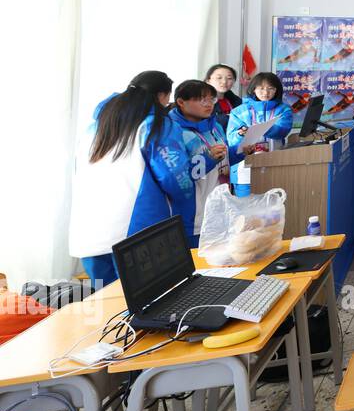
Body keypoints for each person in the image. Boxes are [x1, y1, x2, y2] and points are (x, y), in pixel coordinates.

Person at [68, 71, 175, 288]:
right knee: (144, 299)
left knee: (106, 299)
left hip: (89, 225)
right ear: (162, 96)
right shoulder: (153, 125)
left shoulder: (96, 126)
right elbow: (173, 176)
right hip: (135, 226)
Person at [164, 79, 242, 247]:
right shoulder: (173, 132)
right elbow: (179, 176)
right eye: (202, 99)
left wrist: (241, 151)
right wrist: (209, 158)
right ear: (181, 102)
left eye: (211, 99)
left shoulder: (215, 127)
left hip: (221, 206)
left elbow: (223, 161)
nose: (209, 104)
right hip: (194, 215)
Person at [226, 72, 294, 154]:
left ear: (276, 90)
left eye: (271, 88)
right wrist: (241, 134)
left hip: (276, 158)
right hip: (245, 161)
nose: (265, 92)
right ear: (254, 89)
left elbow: (282, 132)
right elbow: (232, 141)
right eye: (261, 88)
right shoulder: (238, 112)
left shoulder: (284, 109)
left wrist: (261, 129)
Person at [205, 63, 242, 130]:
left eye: (229, 78)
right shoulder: (202, 102)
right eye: (219, 78)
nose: (224, 81)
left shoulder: (236, 101)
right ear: (208, 80)